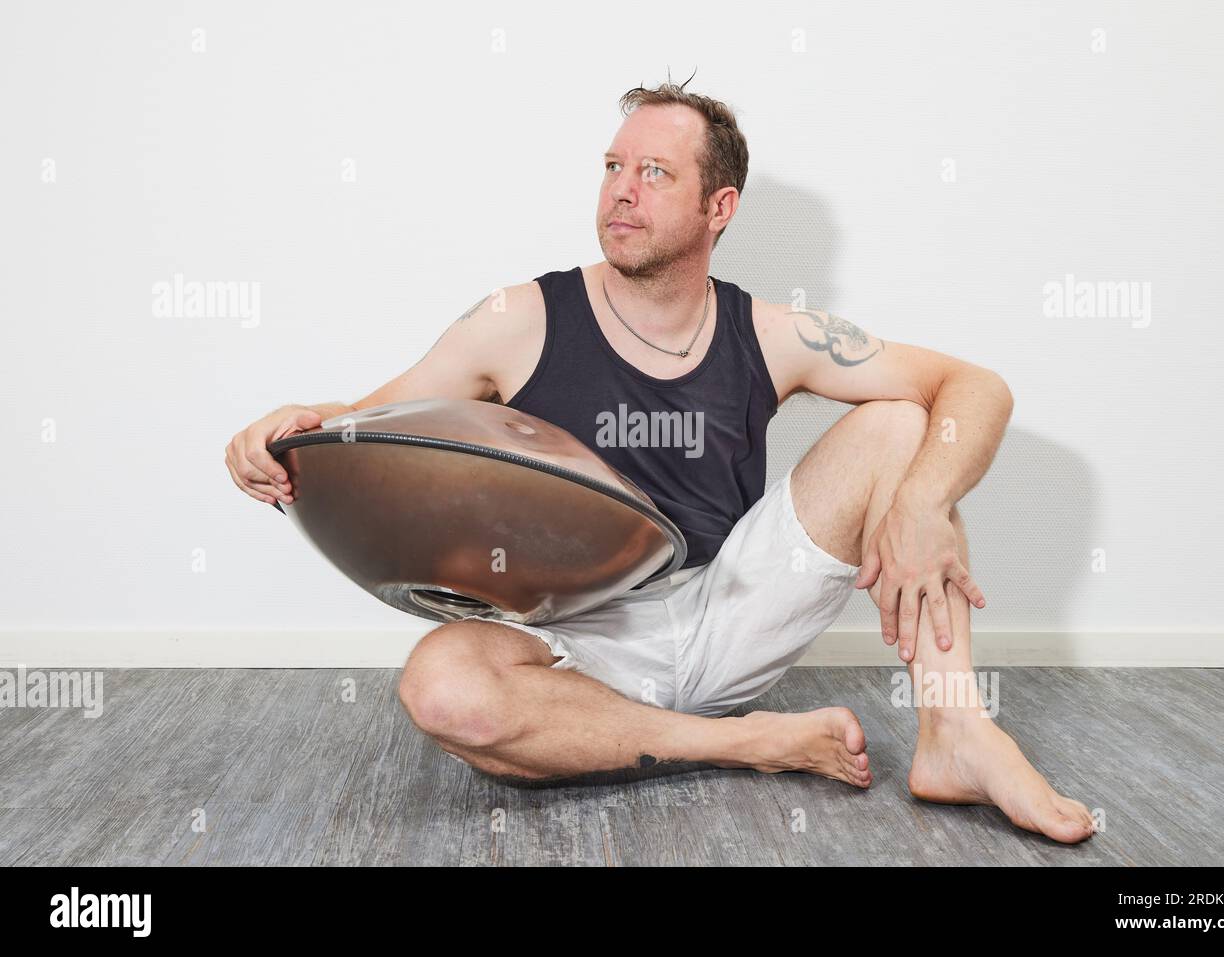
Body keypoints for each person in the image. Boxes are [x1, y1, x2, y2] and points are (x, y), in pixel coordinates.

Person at [226, 79, 1095, 844]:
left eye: (654, 173)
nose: (621, 193)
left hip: (729, 612)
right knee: (444, 687)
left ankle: (956, 733)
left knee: (903, 424)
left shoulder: (768, 332)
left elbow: (975, 386)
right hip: (575, 635)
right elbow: (376, 416)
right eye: (612, 167)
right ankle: (749, 743)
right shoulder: (518, 317)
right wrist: (286, 427)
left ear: (719, 208)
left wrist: (920, 505)